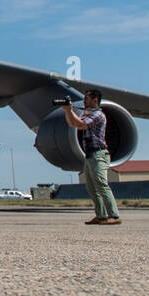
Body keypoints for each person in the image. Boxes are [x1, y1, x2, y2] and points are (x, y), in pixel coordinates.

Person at [63, 89, 122, 226]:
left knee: (101, 184)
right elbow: (73, 123)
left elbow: (80, 124)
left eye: (87, 99)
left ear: (95, 100)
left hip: (98, 153)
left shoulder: (97, 115)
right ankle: (101, 215)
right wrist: (68, 111)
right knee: (91, 187)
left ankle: (114, 215)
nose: (84, 101)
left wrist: (69, 110)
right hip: (90, 155)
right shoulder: (88, 114)